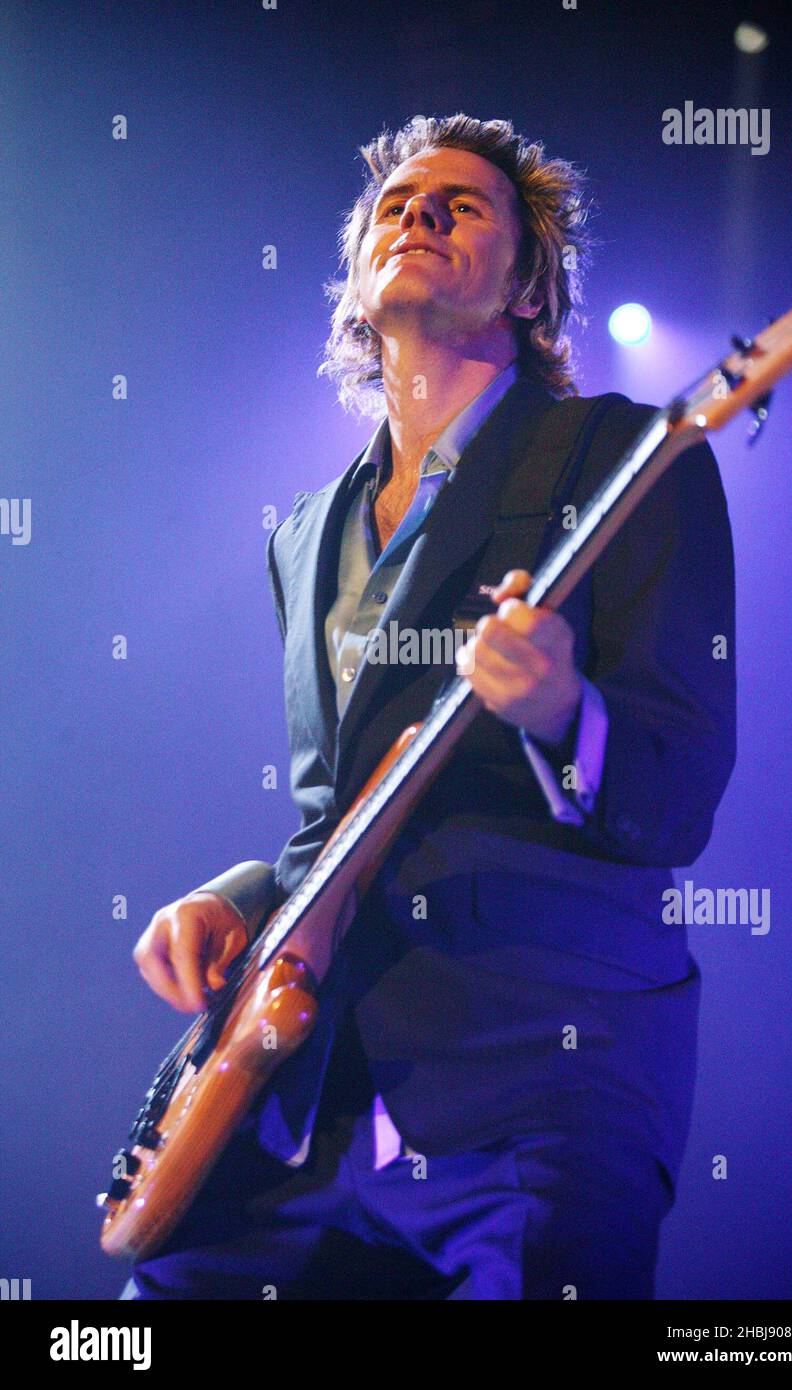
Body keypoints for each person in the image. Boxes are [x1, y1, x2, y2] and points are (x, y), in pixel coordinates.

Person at [123, 113, 736, 1300]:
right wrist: (235, 896)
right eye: (397, 204)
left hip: (541, 1089)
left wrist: (562, 706)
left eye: (462, 206)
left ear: (527, 285)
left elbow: (677, 792)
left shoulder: (623, 455)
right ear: (356, 282)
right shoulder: (303, 531)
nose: (419, 214)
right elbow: (333, 814)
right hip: (303, 1094)